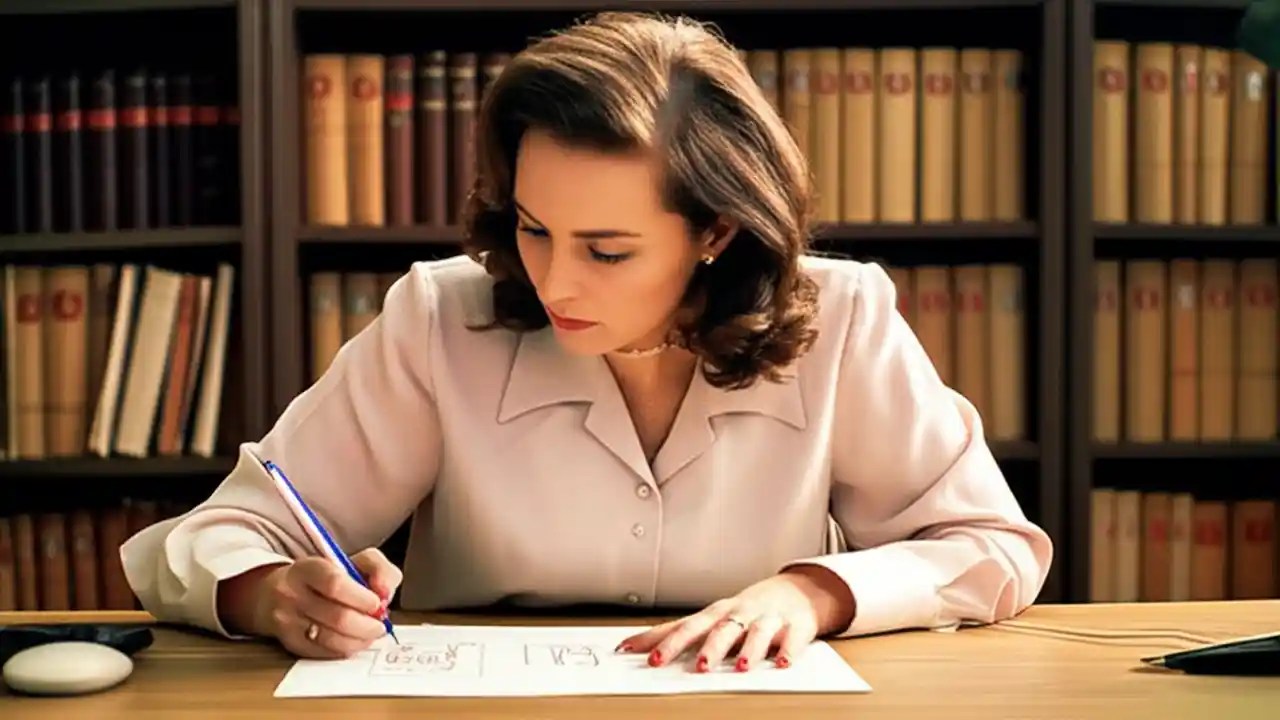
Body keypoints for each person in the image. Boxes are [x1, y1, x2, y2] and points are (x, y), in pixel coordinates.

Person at [120, 10, 1052, 673]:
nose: (553, 282)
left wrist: (813, 594)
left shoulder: (842, 318)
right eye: (532, 229)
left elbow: (994, 547)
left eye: (608, 250)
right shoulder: (440, 320)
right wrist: (270, 591)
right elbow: (214, 536)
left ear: (716, 231)